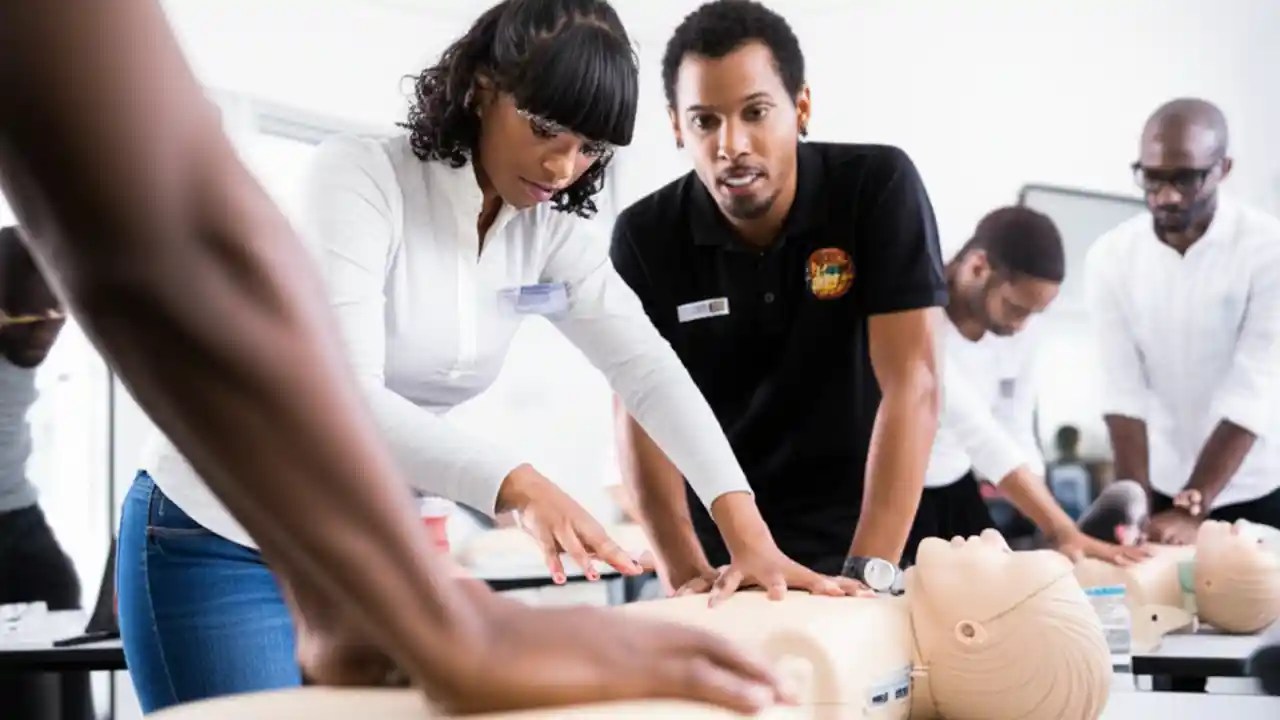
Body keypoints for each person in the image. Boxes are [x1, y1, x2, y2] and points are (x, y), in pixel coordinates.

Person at [0, 0, 785, 716]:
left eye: (588, 149)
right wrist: (516, 484)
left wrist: (749, 539)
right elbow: (346, 397)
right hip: (216, 536)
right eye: (545, 128)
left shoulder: (547, 237)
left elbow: (649, 370)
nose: (560, 168)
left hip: (366, 549)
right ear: (483, 88)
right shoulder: (362, 176)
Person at [611, 0, 944, 595]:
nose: (730, 144)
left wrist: (866, 574)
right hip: (727, 557)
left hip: (865, 541)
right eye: (704, 121)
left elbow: (914, 383)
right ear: (675, 125)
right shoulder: (645, 237)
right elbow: (639, 414)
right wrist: (687, 576)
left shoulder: (877, 188)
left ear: (801, 107)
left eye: (756, 112)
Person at [1086, 97, 1280, 545]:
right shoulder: (1111, 257)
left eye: (1186, 179)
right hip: (1162, 479)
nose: (1167, 196)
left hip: (1257, 484)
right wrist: (1135, 504)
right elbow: (1123, 392)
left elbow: (1255, 385)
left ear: (1223, 168)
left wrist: (1194, 504)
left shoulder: (1268, 249)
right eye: (1151, 179)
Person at [907, 207, 1147, 566]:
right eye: (1016, 307)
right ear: (977, 267)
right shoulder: (916, 311)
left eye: (1034, 313)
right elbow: (978, 431)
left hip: (954, 482)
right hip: (895, 482)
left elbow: (1015, 425)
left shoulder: (1021, 328)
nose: (1021, 326)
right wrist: (1060, 529)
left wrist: (1038, 514)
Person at [0, 226, 92, 720]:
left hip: (20, 521)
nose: (47, 331)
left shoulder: (29, 331)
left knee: (65, 624)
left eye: (59, 314)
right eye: (33, 316)